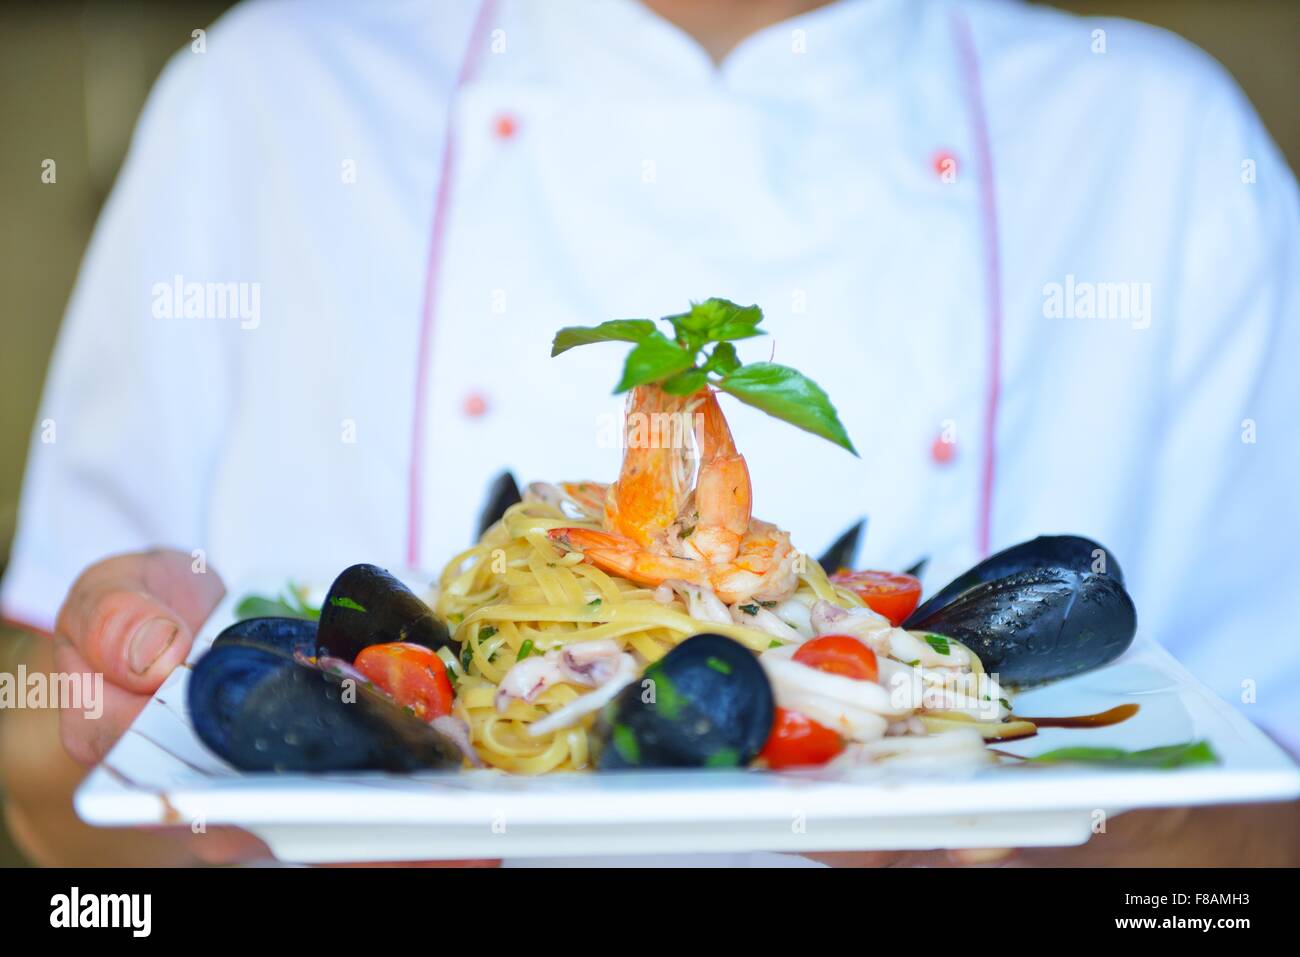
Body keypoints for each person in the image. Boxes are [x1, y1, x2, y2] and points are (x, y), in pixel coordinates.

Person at [1, 0, 1297, 866]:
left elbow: (1265, 812)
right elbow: (39, 752)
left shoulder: (1152, 138)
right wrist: (107, 738)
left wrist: (1105, 855)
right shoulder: (264, 94)